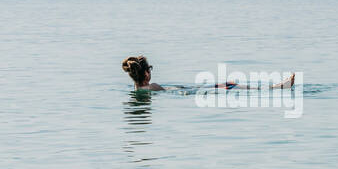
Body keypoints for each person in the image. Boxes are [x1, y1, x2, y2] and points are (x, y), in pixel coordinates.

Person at [122, 55, 295, 93]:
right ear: (146, 74)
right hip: (189, 92)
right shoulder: (153, 87)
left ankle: (275, 86)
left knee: (228, 84)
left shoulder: (137, 90)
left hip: (187, 90)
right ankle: (275, 87)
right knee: (229, 84)